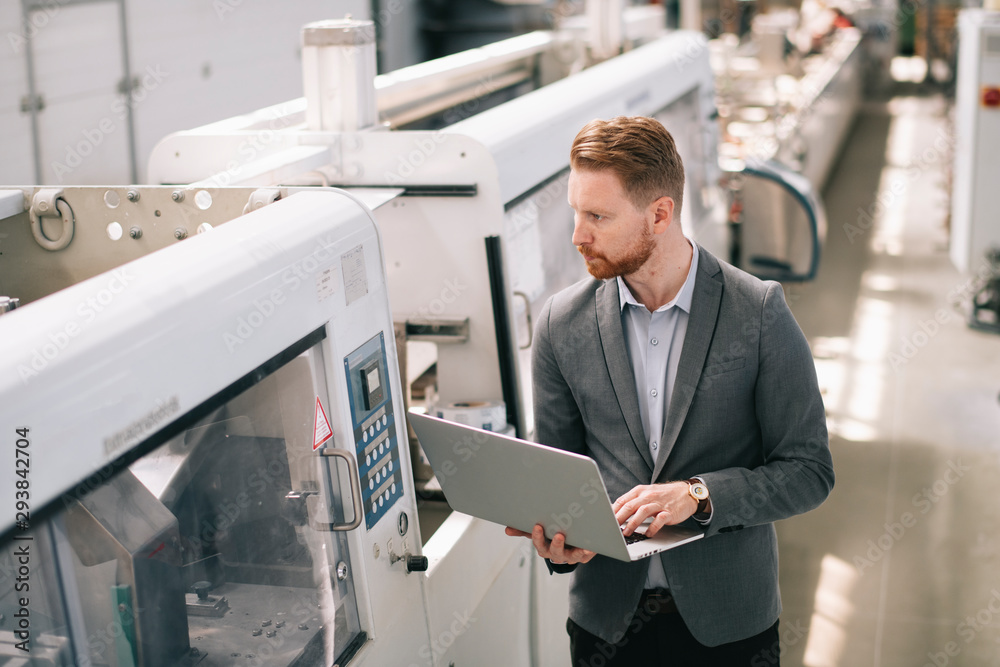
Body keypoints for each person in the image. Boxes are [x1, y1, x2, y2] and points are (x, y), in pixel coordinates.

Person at [505, 116, 834, 665]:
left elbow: (808, 470)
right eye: (576, 212)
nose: (578, 234)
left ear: (659, 214)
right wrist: (560, 541)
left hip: (728, 627)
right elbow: (560, 471)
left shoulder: (756, 312)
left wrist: (700, 496)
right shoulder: (562, 323)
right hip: (605, 626)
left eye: (598, 216)